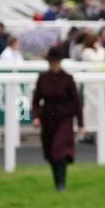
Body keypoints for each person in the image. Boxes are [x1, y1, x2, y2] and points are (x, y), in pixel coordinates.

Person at [31, 44, 85, 191]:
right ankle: (57, 181)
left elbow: (76, 103)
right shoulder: (43, 78)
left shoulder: (68, 79)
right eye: (51, 62)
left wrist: (80, 124)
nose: (54, 65)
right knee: (50, 152)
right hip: (48, 118)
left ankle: (61, 184)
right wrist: (35, 117)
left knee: (59, 149)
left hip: (64, 118)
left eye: (56, 62)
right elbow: (36, 100)